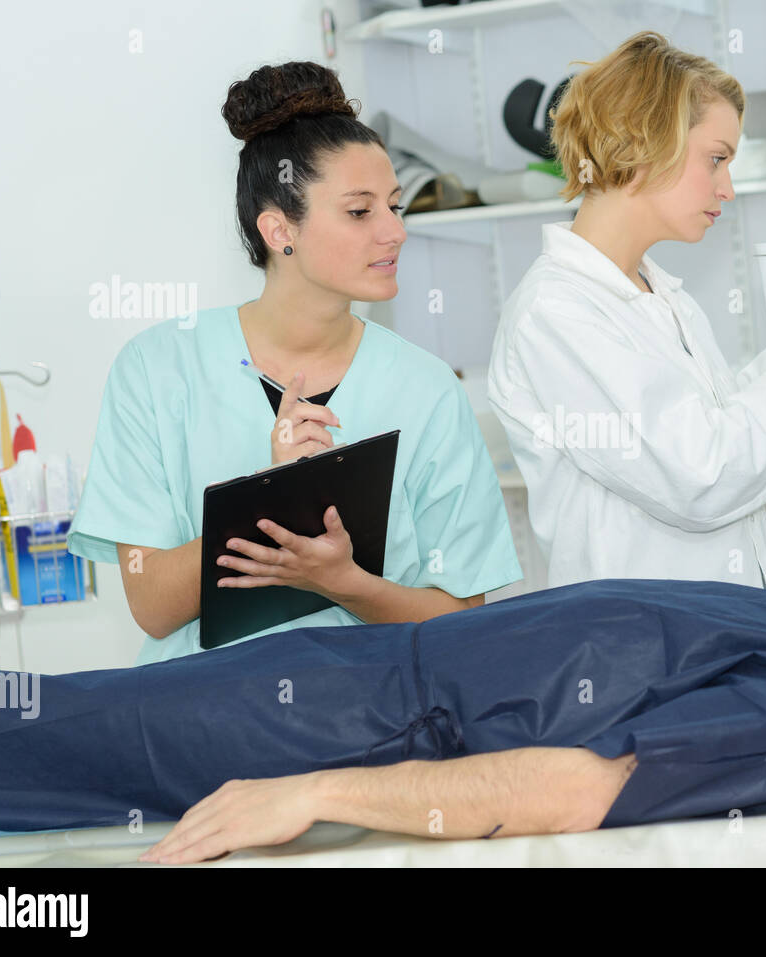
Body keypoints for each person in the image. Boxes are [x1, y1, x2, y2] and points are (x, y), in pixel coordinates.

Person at [0, 540, 766, 862]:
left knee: (38, 729)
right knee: (42, 711)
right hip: (353, 674)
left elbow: (585, 786)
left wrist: (314, 792)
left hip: (355, 726)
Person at [66, 62, 522, 664]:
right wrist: (268, 499)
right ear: (280, 229)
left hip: (376, 706)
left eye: (395, 206)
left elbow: (462, 616)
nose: (395, 231)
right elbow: (152, 604)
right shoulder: (156, 370)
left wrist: (345, 584)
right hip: (203, 707)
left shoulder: (426, 387)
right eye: (360, 212)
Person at [487, 32, 766, 589]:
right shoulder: (555, 313)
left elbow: (718, 424)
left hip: (708, 623)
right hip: (644, 632)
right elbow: (700, 477)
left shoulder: (659, 294)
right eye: (716, 159)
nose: (727, 189)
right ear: (642, 141)